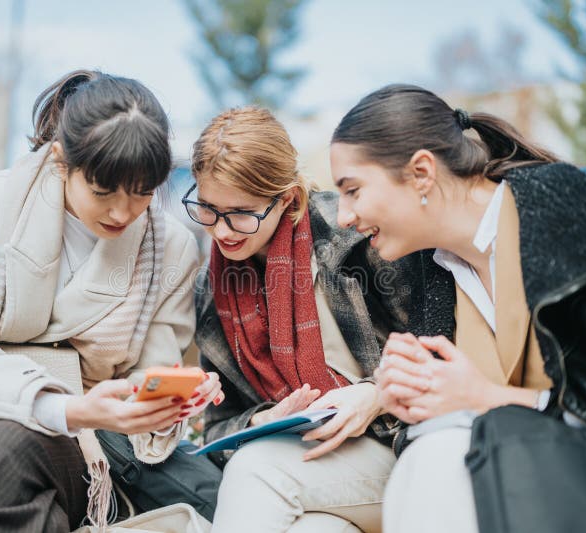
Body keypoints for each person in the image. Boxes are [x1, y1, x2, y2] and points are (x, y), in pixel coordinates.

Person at [0, 69, 224, 533]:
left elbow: (149, 376)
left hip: (93, 449)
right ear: (60, 161)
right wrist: (70, 407)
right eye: (102, 190)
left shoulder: (170, 247)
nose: (122, 212)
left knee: (8, 454)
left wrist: (171, 395)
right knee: (22, 493)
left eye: (142, 193)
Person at [330, 83, 586, 532]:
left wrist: (485, 398)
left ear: (422, 172)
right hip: (523, 490)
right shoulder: (435, 273)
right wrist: (407, 394)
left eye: (353, 190)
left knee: (438, 458)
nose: (342, 217)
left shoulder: (578, 211)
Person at [187, 106, 452, 533]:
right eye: (207, 208)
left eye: (241, 212)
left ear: (288, 198)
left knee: (256, 470)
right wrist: (261, 422)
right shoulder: (212, 287)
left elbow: (444, 339)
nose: (222, 231)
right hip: (313, 464)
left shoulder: (356, 235)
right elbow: (217, 428)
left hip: (400, 442)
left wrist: (374, 395)